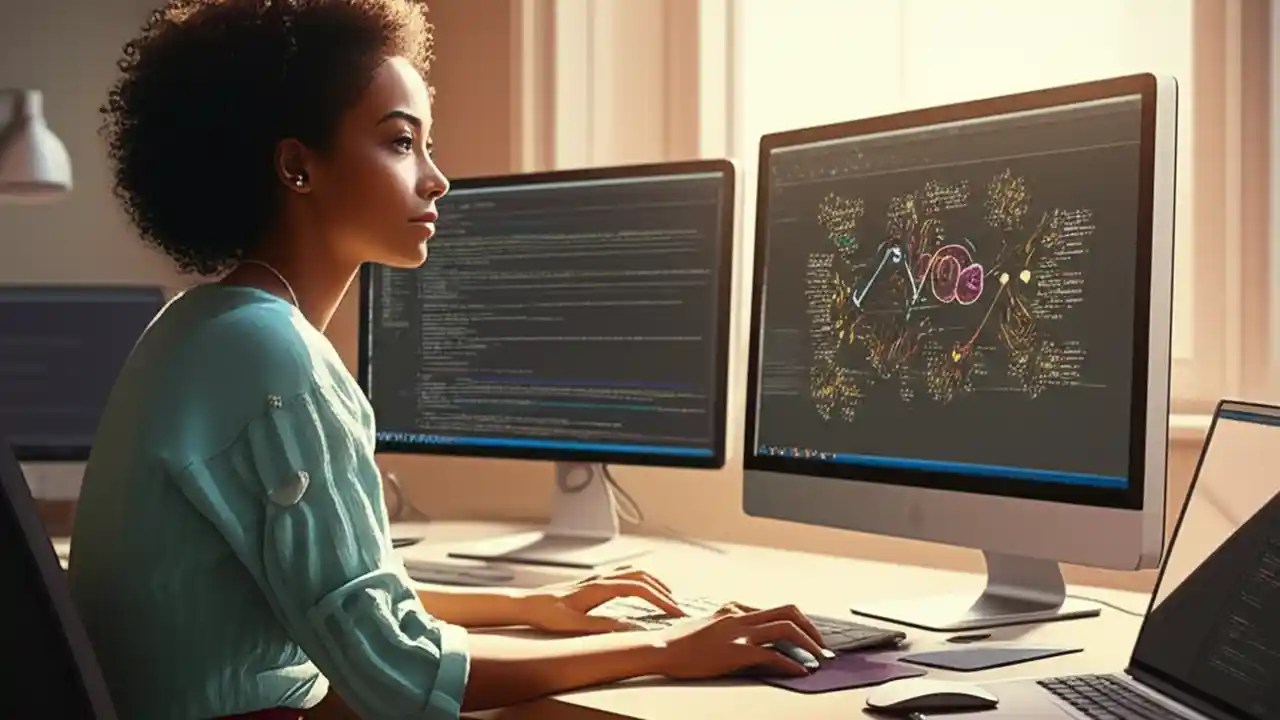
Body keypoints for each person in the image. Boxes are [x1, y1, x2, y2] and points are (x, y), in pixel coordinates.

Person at [66, 1, 830, 718]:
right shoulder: (272, 356)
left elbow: (348, 597)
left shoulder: (202, 325)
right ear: (298, 168)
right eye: (401, 142)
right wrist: (664, 648)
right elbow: (395, 671)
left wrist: (530, 605)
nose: (437, 178)